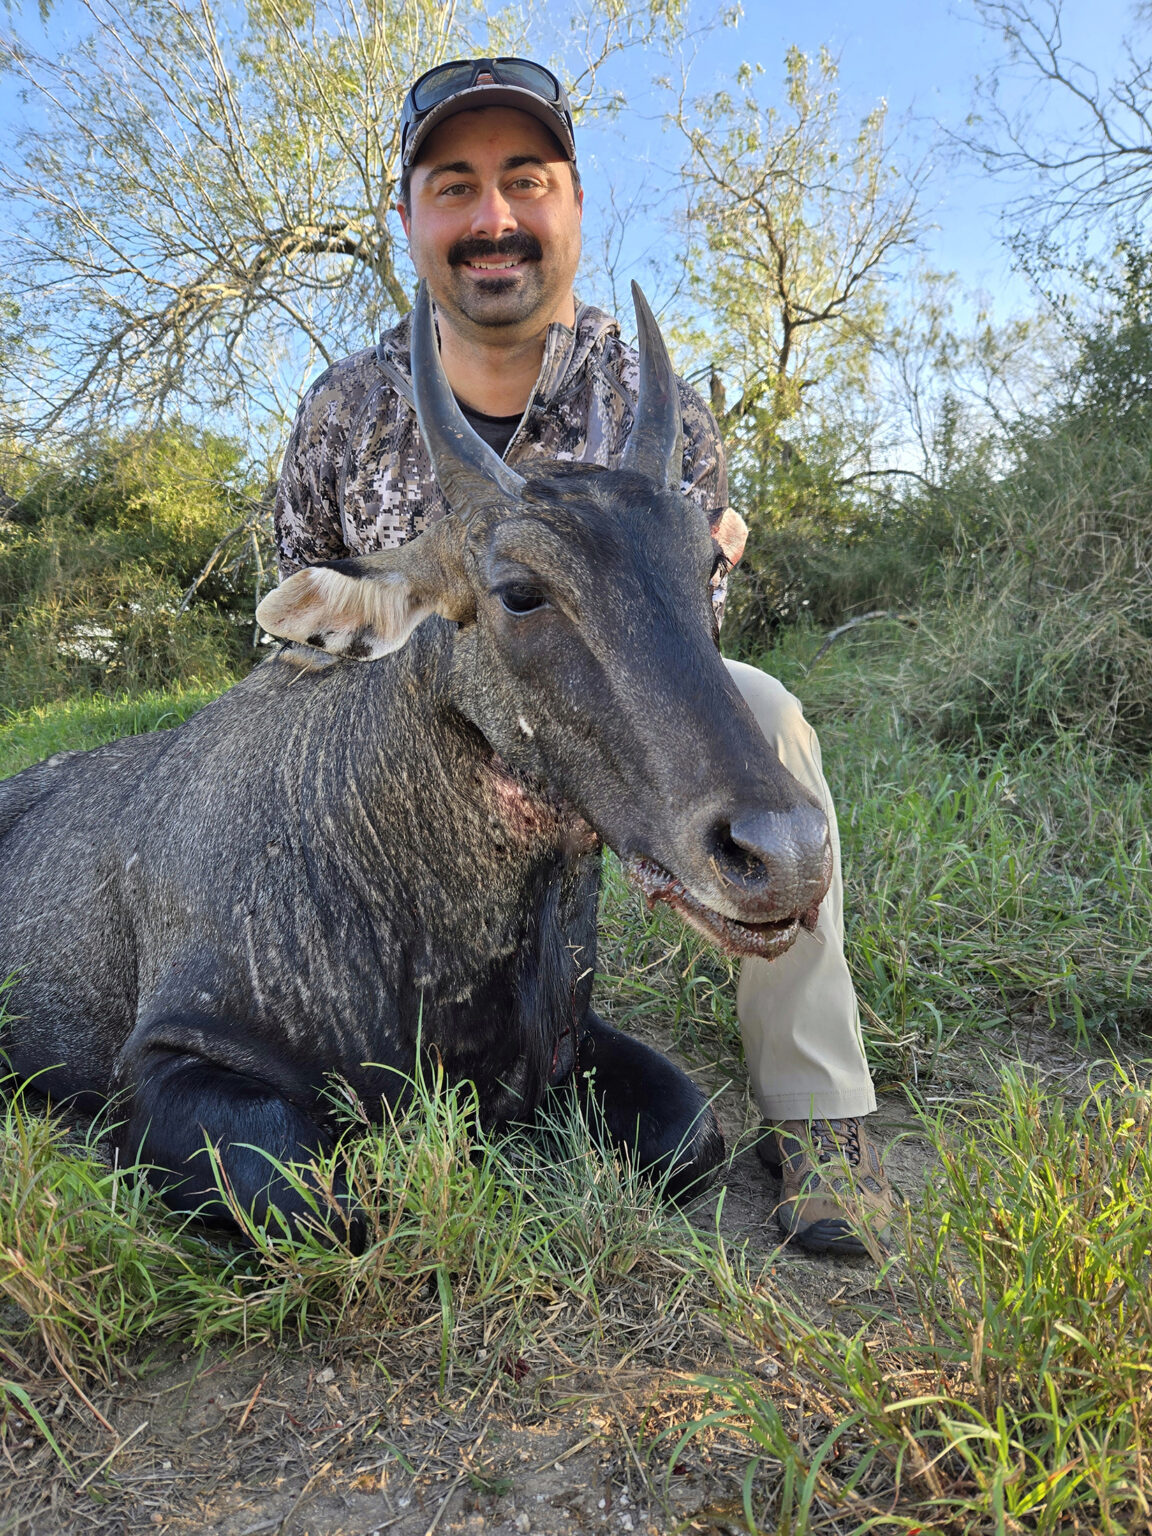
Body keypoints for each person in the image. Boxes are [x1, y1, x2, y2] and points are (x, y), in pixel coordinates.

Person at [273, 56, 896, 1256]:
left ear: (571, 204)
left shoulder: (649, 402)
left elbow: (672, 660)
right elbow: (312, 647)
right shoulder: (343, 412)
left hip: (596, 735)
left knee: (763, 715)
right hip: (403, 780)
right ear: (410, 221)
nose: (493, 217)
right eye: (455, 187)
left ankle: (819, 1115)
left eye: (526, 179)